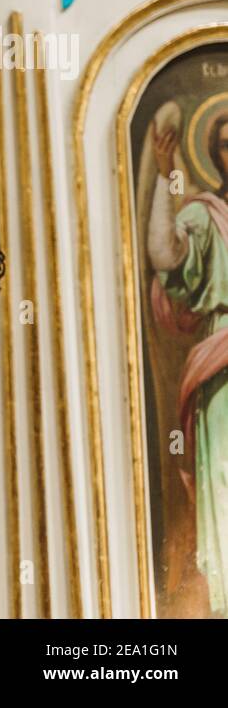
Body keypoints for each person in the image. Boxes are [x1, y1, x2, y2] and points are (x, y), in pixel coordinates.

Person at [148, 111, 228, 615]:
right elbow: (164, 251)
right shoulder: (207, 215)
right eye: (227, 143)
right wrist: (163, 176)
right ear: (215, 153)